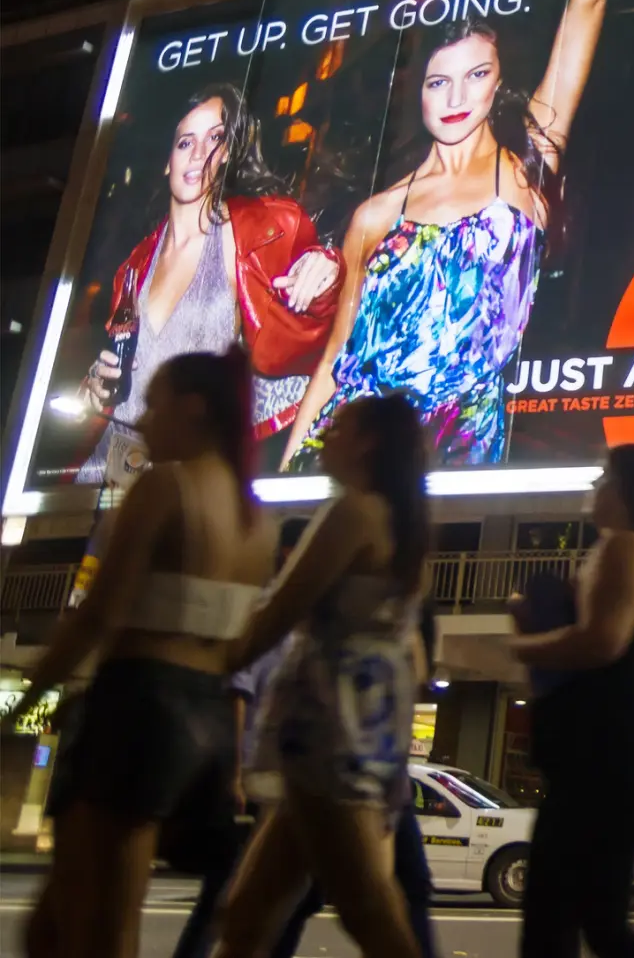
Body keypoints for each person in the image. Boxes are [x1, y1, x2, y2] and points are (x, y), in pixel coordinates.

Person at [281, 0, 620, 471]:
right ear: (420, 91)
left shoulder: (524, 166)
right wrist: (281, 485)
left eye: (476, 76)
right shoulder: (376, 214)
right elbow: (334, 361)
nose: (457, 99)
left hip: (462, 442)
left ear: (498, 82)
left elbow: (588, 0)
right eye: (440, 82)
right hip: (353, 444)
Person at [13, 349, 277, 958]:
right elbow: (239, 644)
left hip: (138, 703)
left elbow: (98, 614)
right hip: (203, 717)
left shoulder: (165, 487)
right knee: (74, 919)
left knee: (93, 922)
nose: (144, 421)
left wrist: (27, 697)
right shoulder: (257, 521)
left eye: (153, 404)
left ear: (194, 408)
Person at [212, 394, 433, 958]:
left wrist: (204, 661)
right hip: (359, 732)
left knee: (370, 916)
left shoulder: (354, 512)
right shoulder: (404, 527)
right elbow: (415, 660)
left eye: (337, 427)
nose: (323, 436)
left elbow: (279, 614)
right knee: (247, 916)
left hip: (326, 732)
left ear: (368, 442)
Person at [78, 86, 340, 483]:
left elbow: (316, 330)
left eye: (215, 139)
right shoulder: (132, 267)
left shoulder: (263, 230)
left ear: (231, 155)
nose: (199, 154)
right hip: (117, 466)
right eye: (186, 142)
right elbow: (129, 372)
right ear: (168, 160)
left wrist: (329, 268)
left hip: (196, 469)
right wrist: (96, 387)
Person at [510, 443, 634, 958]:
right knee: (584, 917)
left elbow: (601, 641)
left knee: (569, 918)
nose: (594, 487)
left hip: (610, 760)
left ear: (623, 488)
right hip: (616, 758)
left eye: (602, 476)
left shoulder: (625, 550)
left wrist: (521, 646)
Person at [270, 594, 443, 957]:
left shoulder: (395, 574)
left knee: (272, 903)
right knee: (382, 897)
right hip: (345, 742)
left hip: (350, 744)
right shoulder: (397, 572)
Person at [170, 632, 295, 958]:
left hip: (284, 788)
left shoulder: (308, 632)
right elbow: (237, 693)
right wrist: (234, 774)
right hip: (257, 785)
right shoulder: (275, 625)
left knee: (283, 900)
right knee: (223, 896)